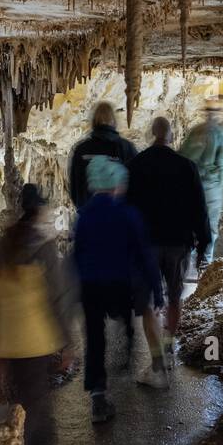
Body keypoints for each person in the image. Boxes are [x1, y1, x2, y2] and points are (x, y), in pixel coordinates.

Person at [0, 184, 78, 445]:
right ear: (40, 211)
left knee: (19, 399)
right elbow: (58, 298)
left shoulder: (6, 244)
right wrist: (67, 343)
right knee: (37, 404)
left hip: (8, 340)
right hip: (34, 339)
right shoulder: (44, 248)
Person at [74, 156, 168, 423]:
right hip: (121, 283)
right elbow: (144, 255)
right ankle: (126, 350)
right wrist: (157, 291)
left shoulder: (83, 216)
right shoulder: (128, 214)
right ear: (117, 184)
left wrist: (74, 291)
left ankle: (98, 395)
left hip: (91, 286)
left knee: (94, 338)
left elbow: (77, 255)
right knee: (123, 318)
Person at [128, 117, 211, 360]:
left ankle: (156, 357)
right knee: (175, 297)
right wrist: (204, 243)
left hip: (147, 244)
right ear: (171, 135)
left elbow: (127, 207)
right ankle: (168, 343)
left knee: (150, 301)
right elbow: (200, 208)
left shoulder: (135, 165)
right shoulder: (186, 166)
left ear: (152, 134)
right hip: (178, 242)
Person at [179, 102, 223, 269]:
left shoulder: (196, 132)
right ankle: (204, 264)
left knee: (189, 224)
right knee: (209, 227)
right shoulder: (221, 134)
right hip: (211, 187)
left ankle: (186, 264)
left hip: (191, 186)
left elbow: (183, 157)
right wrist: (222, 187)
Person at [67, 101, 139, 210]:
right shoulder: (126, 148)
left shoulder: (81, 150)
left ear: (94, 122)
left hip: (90, 216)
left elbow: (75, 188)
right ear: (114, 122)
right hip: (119, 216)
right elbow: (136, 184)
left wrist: (83, 209)